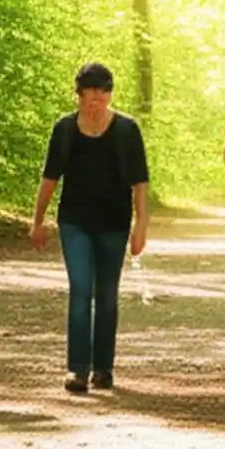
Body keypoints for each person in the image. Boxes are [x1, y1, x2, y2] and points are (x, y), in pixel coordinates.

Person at [30, 63, 150, 393]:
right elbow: (50, 177)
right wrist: (37, 220)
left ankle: (103, 368)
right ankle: (77, 369)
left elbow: (140, 182)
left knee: (107, 295)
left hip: (114, 223)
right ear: (79, 94)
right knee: (81, 290)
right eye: (89, 92)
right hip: (75, 222)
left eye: (102, 92)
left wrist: (141, 227)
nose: (95, 99)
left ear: (110, 94)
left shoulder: (127, 130)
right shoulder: (65, 129)